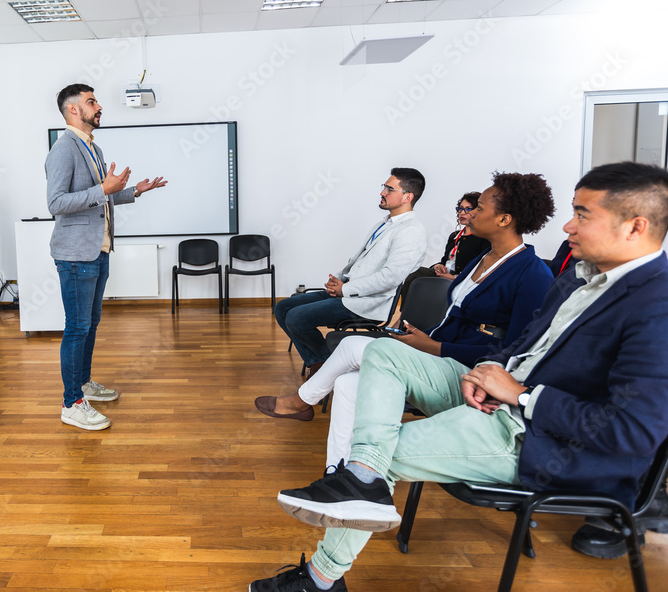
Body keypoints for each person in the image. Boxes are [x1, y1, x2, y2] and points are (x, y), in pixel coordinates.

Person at [250, 161, 668, 592]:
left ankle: (321, 579)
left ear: (634, 227)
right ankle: (356, 478)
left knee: (376, 459)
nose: (567, 226)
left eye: (582, 214)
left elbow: (632, 433)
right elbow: (521, 341)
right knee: (380, 355)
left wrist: (521, 396)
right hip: (496, 396)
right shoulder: (578, 279)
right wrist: (489, 370)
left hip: (543, 441)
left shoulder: (656, 307)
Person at [254, 172, 555, 474]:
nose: (469, 212)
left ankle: (301, 401)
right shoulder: (482, 260)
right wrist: (424, 337)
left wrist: (434, 346)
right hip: (438, 355)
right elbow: (458, 318)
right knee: (346, 382)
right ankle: (340, 475)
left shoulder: (533, 275)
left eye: (478, 207)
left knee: (350, 344)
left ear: (504, 219)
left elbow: (513, 353)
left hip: (468, 375)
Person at [46, 83, 166, 431]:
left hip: (98, 251)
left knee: (89, 325)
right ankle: (72, 403)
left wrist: (132, 192)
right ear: (73, 110)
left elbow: (101, 198)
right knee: (77, 328)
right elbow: (56, 204)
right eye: (91, 102)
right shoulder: (64, 150)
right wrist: (103, 189)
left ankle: (83, 384)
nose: (99, 107)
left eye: (96, 101)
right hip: (75, 255)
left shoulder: (93, 148)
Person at [274, 169, 428, 376]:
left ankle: (325, 368)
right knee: (283, 307)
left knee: (296, 318)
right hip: (350, 292)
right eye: (383, 187)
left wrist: (345, 289)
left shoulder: (411, 231)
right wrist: (338, 279)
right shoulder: (383, 224)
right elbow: (358, 260)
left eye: (389, 189)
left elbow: (390, 277)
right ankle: (319, 362)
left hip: (368, 302)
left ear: (407, 197)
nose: (382, 192)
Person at [399, 192, 491, 301]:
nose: (462, 213)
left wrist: (452, 277)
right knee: (416, 274)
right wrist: (437, 266)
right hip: (445, 275)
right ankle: (405, 314)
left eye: (468, 209)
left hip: (463, 281)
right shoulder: (454, 235)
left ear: (478, 211)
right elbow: (445, 260)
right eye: (460, 209)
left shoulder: (484, 238)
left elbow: (480, 270)